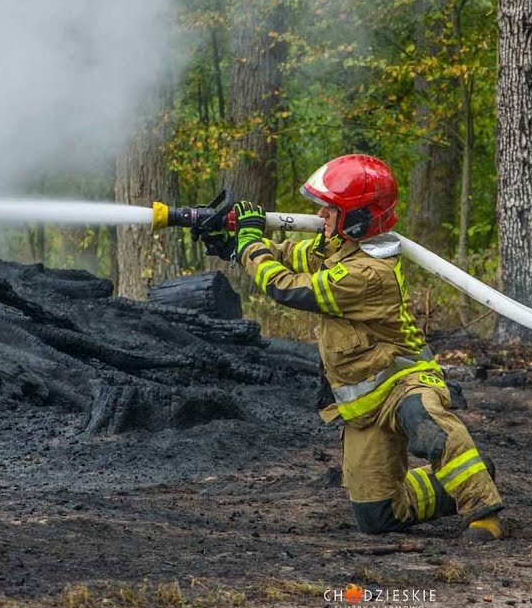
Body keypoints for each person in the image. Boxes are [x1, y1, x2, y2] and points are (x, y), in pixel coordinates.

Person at [198, 154, 505, 542]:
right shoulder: (337, 247)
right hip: (364, 405)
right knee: (377, 517)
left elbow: (288, 287)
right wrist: (235, 242)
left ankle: (483, 510)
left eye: (331, 208)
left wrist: (248, 245)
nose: (322, 214)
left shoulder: (370, 274)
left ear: (357, 217)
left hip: (403, 382)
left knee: (425, 421)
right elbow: (289, 255)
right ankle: (465, 476)